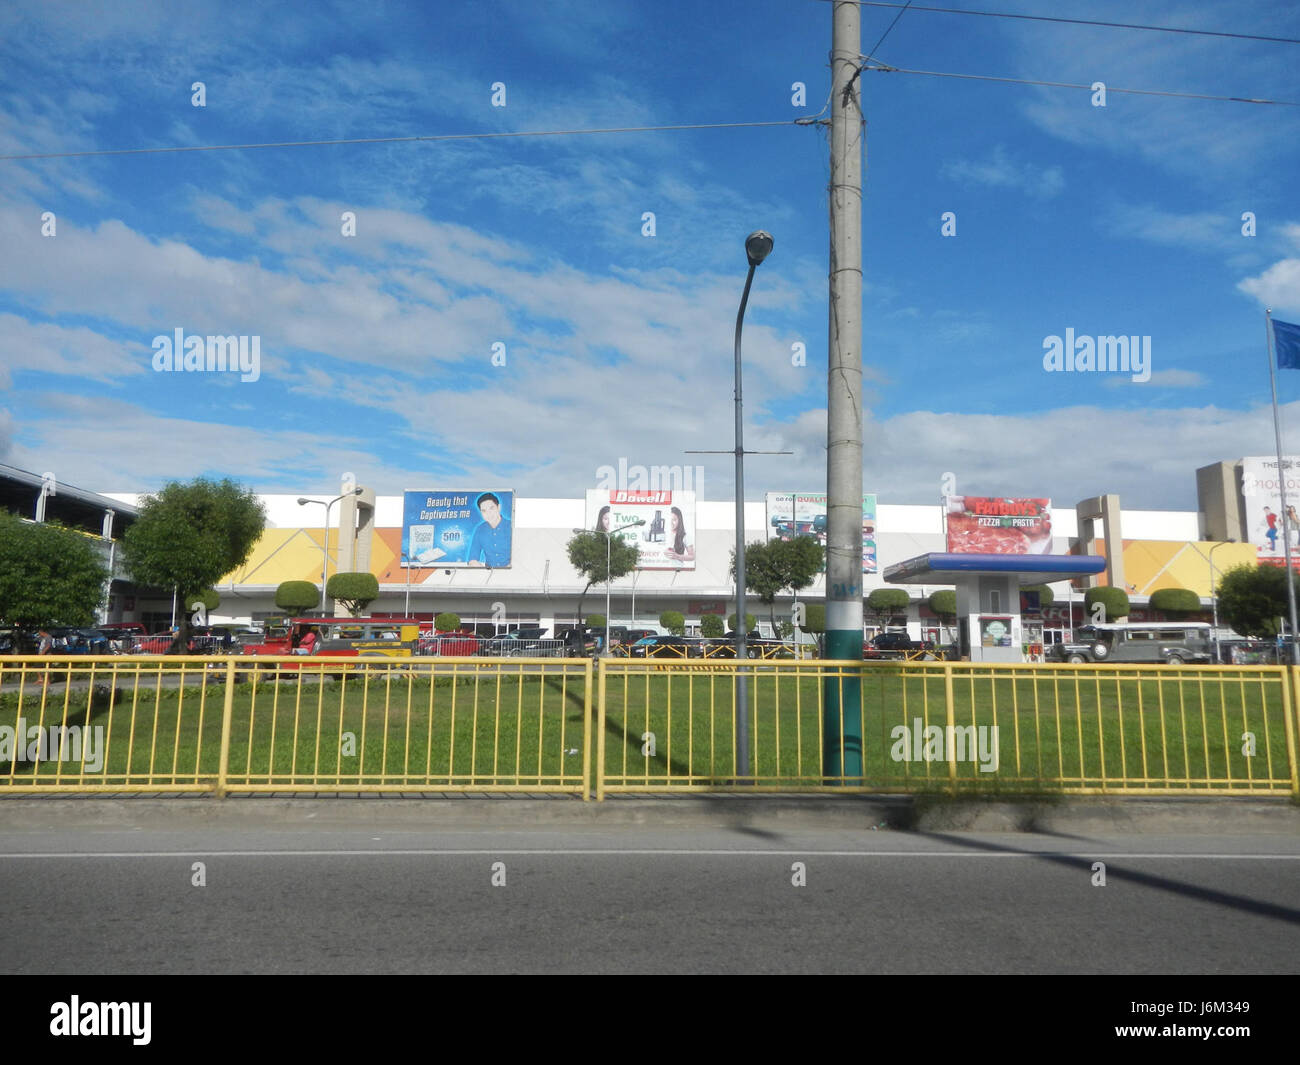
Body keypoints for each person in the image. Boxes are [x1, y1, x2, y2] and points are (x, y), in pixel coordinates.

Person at [466, 492, 512, 567]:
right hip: (489, 574)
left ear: (499, 507)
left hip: (512, 575)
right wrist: (484, 574)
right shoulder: (480, 529)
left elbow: (521, 557)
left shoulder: (511, 527)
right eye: (484, 511)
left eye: (491, 508)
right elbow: (472, 560)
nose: (488, 513)